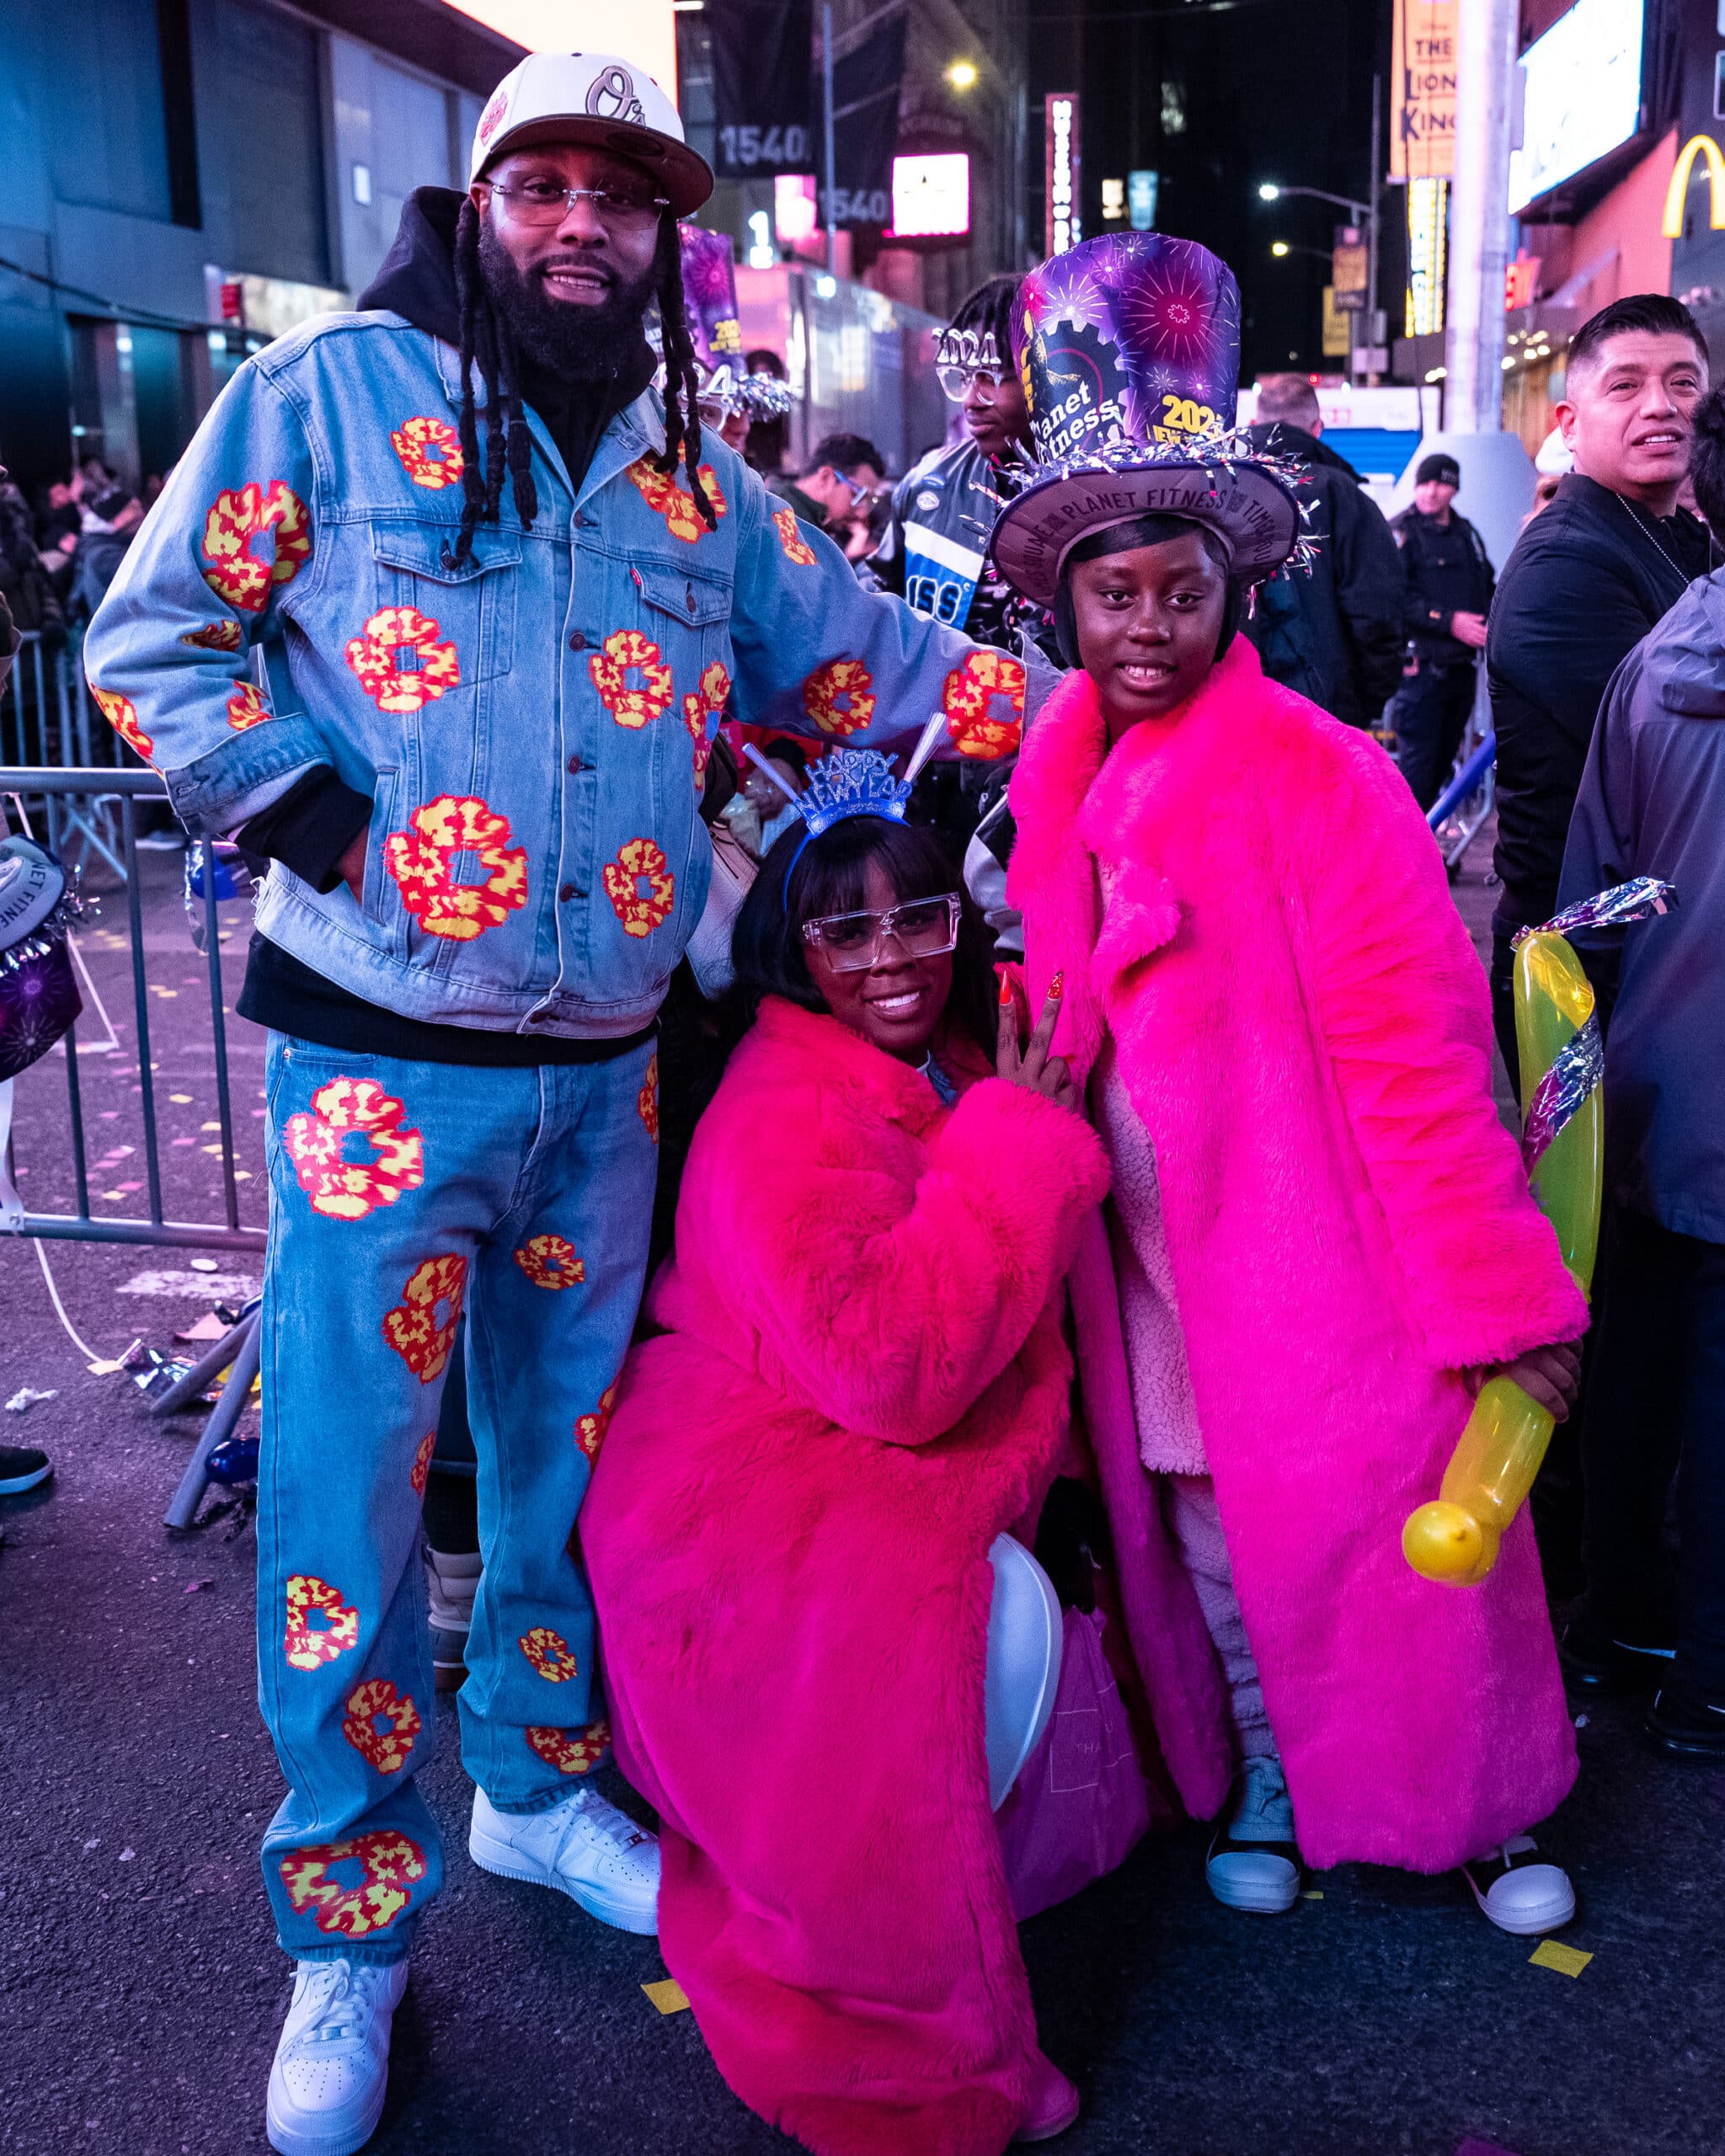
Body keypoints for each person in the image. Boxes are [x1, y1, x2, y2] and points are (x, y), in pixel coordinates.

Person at [82, 48, 1026, 2156]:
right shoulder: (324, 402)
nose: (585, 220)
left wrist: (1101, 702)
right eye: (548, 185)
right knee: (338, 1496)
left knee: (560, 1478)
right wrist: (320, 815)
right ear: (480, 200)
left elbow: (852, 651)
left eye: (622, 191)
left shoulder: (702, 476)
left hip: (598, 1087)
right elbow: (152, 633)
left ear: (662, 231)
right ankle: (346, 1919)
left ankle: (522, 1787)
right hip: (380, 1077)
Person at [993, 232, 1589, 1937]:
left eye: (1181, 588)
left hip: (1327, 1251)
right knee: (1209, 1545)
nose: (1151, 625)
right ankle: (1266, 1771)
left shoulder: (1324, 778)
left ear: (1229, 590)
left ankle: (1469, 1806)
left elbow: (1418, 1054)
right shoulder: (1044, 776)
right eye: (1116, 595)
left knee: (1394, 1533)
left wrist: (1486, 1287)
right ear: (1069, 608)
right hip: (1153, 1265)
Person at [583, 762, 1108, 2154]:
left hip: (795, 1446)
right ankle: (901, 2040)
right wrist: (1022, 1140)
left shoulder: (937, 1052)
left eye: (920, 917)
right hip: (727, 1515)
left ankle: (972, 1883)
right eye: (850, 931)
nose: (895, 960)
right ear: (792, 950)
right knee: (918, 1638)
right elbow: (892, 1369)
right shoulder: (783, 1107)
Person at [1551, 382, 1725, 1747]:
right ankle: (1708, 1684)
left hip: (1650, 1086)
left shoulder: (1652, 657)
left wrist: (1577, 1099)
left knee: (1638, 1362)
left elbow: (1590, 902)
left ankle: (1616, 1631)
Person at [1486, 293, 1714, 1095]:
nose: (1662, 405)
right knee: (1606, 1213)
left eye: (1684, 383)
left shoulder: (1681, 534)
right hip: (1585, 965)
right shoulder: (1566, 567)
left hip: (1671, 949)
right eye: (1625, 385)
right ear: (1569, 424)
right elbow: (1683, 763)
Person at [869, 276, 1037, 651]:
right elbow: (876, 611)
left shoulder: (1093, 490)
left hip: (1054, 708)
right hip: (940, 707)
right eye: (963, 378)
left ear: (1040, 375)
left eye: (991, 379)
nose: (970, 400)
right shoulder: (926, 482)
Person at [1242, 371, 1404, 728]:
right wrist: (1360, 707)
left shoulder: (1220, 490)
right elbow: (1377, 614)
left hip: (1230, 718)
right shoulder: (1345, 498)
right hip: (1326, 721)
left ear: (1253, 424)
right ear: (1318, 428)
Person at [1386, 451, 1494, 811]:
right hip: (1421, 675)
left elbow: (1487, 586)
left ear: (1454, 489)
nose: (1430, 492)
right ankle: (1402, 862)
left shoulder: (1467, 534)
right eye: (1423, 483)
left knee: (1441, 772)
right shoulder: (1402, 532)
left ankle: (1429, 855)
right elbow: (1393, 597)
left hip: (1460, 673)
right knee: (1416, 775)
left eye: (1439, 483)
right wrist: (1450, 621)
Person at [768, 430, 885, 543]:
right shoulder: (781, 522)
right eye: (857, 495)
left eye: (870, 501)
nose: (862, 514)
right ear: (826, 477)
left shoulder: (812, 523)